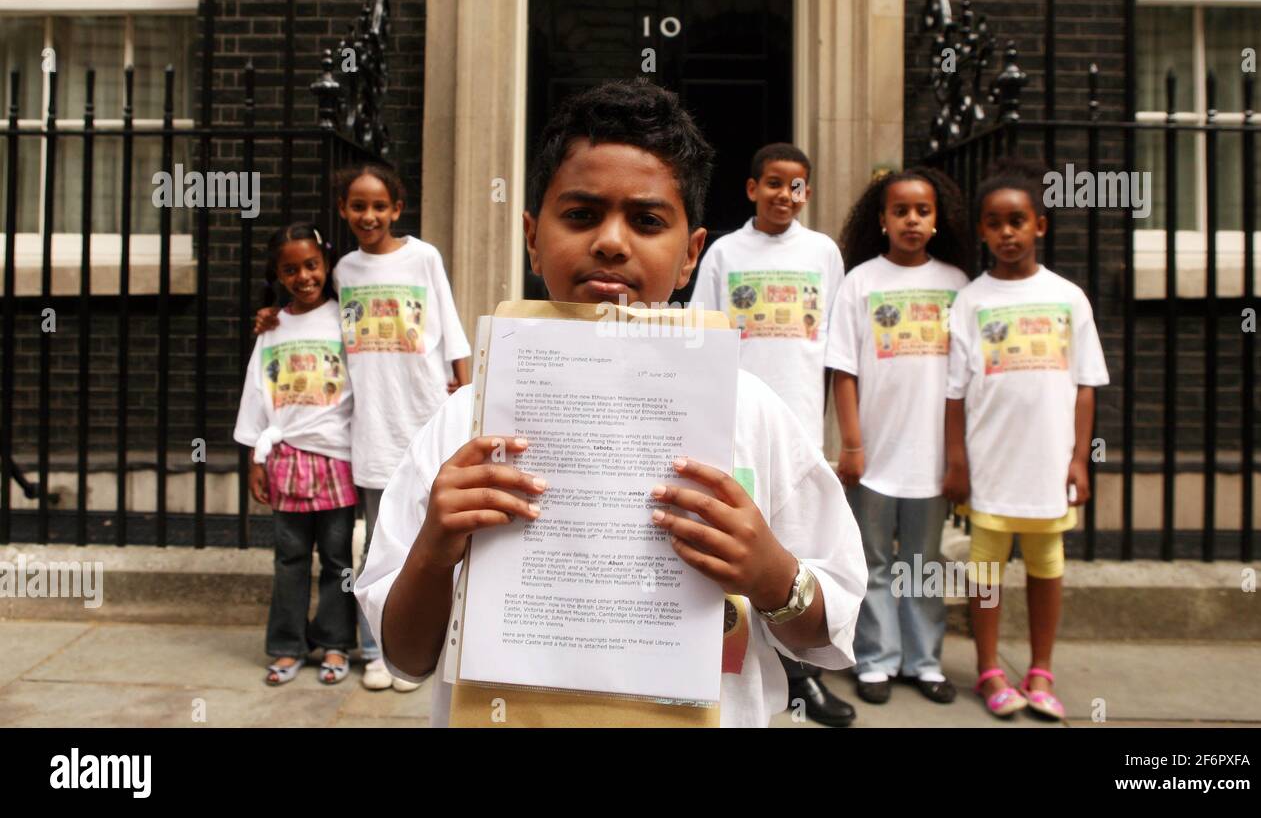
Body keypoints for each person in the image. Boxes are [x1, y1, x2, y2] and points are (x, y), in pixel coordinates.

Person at [354, 79, 869, 728]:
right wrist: (434, 547)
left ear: (690, 256)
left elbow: (828, 629)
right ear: (532, 236)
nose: (612, 242)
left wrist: (773, 577)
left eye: (648, 220)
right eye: (581, 214)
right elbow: (405, 655)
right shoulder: (467, 424)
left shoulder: (752, 414)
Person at [255, 165, 472, 692]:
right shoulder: (344, 270)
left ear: (397, 208)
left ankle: (435, 643)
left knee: (435, 533)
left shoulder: (424, 257)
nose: (368, 215)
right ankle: (379, 648)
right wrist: (272, 318)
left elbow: (453, 329)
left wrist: (468, 395)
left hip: (423, 415)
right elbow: (309, 308)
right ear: (343, 211)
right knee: (377, 542)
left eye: (379, 205)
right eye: (357, 205)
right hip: (371, 428)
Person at [688, 142, 853, 726]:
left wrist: (838, 431)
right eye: (776, 183)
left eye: (799, 185)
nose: (787, 194)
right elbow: (703, 332)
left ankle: (806, 684)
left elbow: (835, 347)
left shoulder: (824, 252)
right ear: (753, 188)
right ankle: (737, 676)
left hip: (802, 424)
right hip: (738, 424)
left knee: (796, 562)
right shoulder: (726, 252)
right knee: (737, 559)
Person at [942, 159, 1109, 720]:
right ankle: (990, 669)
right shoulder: (971, 300)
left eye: (1017, 221)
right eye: (994, 223)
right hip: (991, 468)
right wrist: (957, 460)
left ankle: (1041, 669)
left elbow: (1086, 388)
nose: (1006, 233)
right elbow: (955, 393)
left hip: (1047, 468)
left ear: (1040, 225)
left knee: (1046, 566)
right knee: (986, 573)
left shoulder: (1069, 298)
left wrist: (1080, 462)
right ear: (983, 231)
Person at [826, 167, 972, 707]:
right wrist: (853, 444)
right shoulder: (860, 282)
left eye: (923, 211)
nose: (912, 220)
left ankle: (924, 660)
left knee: (922, 562)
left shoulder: (957, 285)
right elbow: (844, 370)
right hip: (875, 454)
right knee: (873, 561)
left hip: (933, 457)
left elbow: (968, 378)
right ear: (882, 219)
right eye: (901, 211)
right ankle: (876, 659)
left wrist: (961, 457)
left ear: (937, 220)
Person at [235, 223, 358, 686]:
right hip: (286, 459)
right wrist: (254, 459)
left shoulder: (345, 318)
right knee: (288, 559)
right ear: (279, 274)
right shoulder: (273, 326)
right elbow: (255, 390)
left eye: (311, 265)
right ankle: (287, 646)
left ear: (326, 264)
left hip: (337, 457)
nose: (303, 276)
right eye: (291, 269)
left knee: (337, 559)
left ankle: (333, 643)